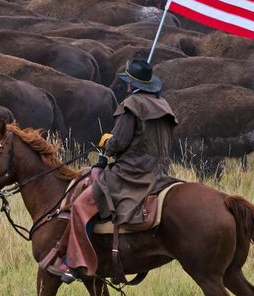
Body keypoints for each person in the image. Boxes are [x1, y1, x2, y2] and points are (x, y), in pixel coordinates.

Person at [40, 58, 178, 283]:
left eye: (128, 83)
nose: (126, 86)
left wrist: (107, 142)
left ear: (133, 85)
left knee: (81, 204)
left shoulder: (131, 105)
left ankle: (74, 263)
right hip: (160, 171)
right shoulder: (164, 106)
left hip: (131, 173)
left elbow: (119, 143)